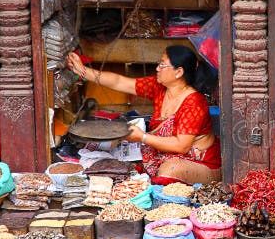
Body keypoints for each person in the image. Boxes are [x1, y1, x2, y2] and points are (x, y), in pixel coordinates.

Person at [67, 45, 221, 184]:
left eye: (162, 64)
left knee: (168, 171)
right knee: (120, 167)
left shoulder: (194, 102)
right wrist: (83, 71)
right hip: (163, 155)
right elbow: (119, 82)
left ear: (178, 72)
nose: (157, 69)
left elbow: (181, 146)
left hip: (198, 163)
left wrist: (143, 137)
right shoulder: (159, 87)